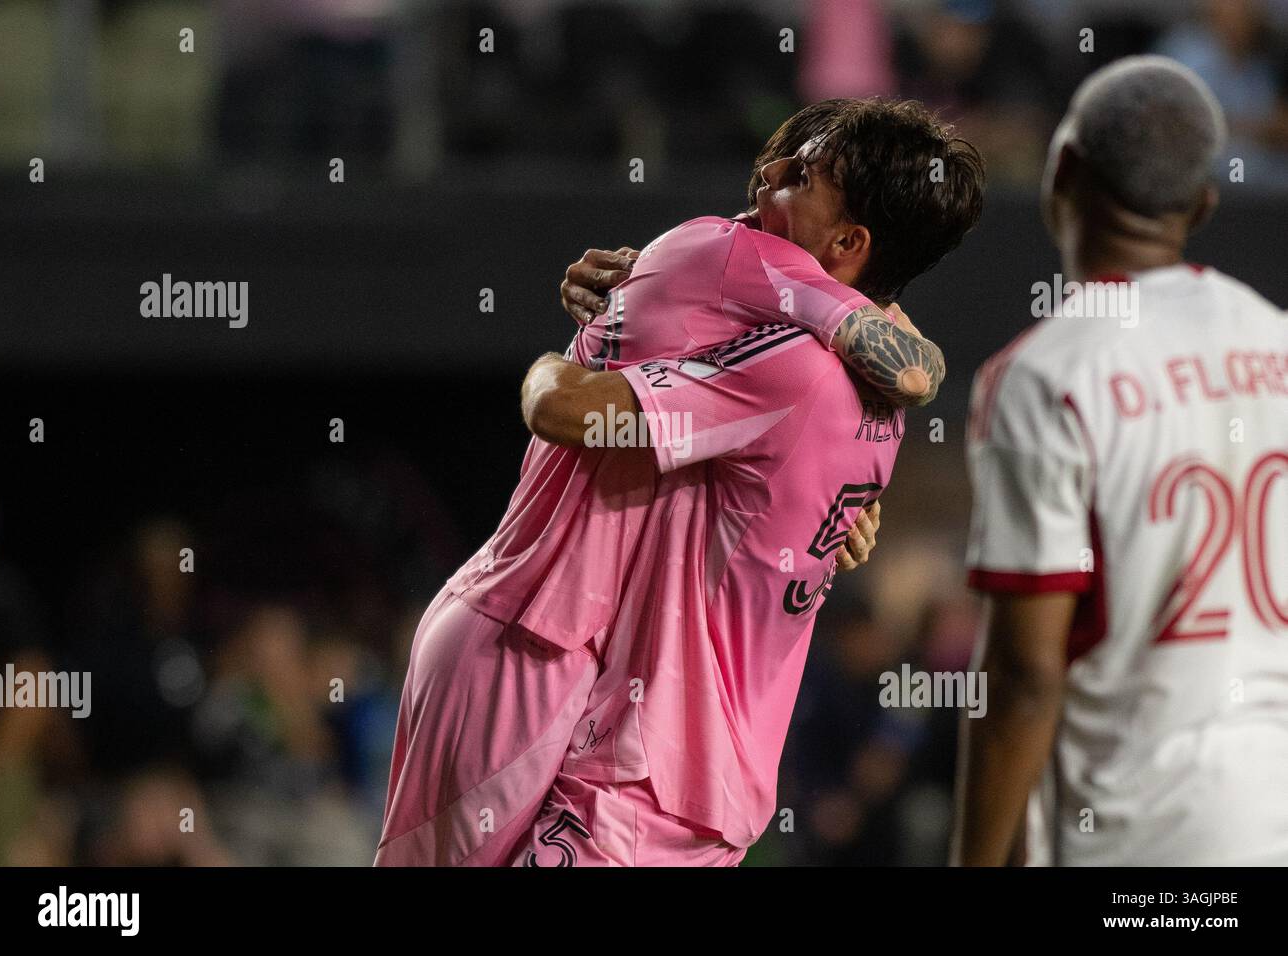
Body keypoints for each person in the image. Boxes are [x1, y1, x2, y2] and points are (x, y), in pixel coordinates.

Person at [376, 99, 984, 866]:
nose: (765, 179)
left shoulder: (755, 308)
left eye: (801, 176)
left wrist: (561, 360)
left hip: (618, 721)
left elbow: (560, 407)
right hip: (624, 719)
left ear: (848, 241)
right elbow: (911, 371)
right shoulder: (870, 391)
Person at [953, 55, 1288, 866]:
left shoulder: (1045, 374)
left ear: (1062, 170)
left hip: (1132, 835)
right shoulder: (1278, 340)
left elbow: (1025, 676)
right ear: (1203, 204)